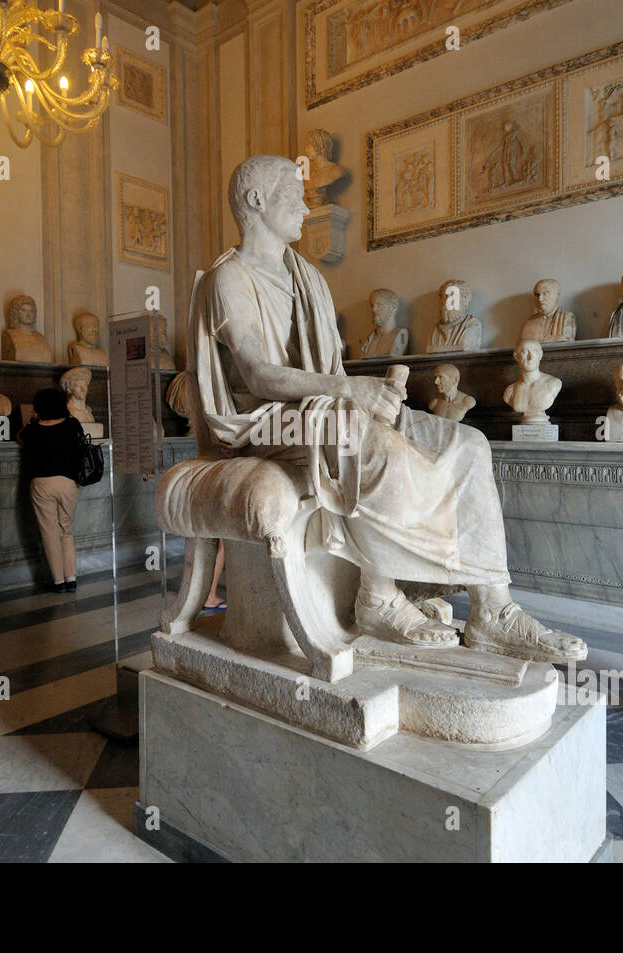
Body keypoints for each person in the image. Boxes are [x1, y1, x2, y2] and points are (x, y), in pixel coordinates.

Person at [188, 154, 585, 661]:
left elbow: (328, 373)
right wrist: (351, 391)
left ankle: (493, 609)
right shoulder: (229, 280)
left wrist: (360, 392)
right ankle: (377, 597)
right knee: (369, 442)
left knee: (467, 443)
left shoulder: (307, 278)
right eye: (293, 192)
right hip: (264, 421)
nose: (306, 206)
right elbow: (259, 375)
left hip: (320, 405)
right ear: (256, 200)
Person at [19, 387, 84, 593]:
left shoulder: (34, 429)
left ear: (38, 408)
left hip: (41, 484)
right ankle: (71, 578)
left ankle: (58, 581)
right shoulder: (73, 424)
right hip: (67, 483)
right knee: (66, 530)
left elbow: (20, 437)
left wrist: (32, 420)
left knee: (49, 533)